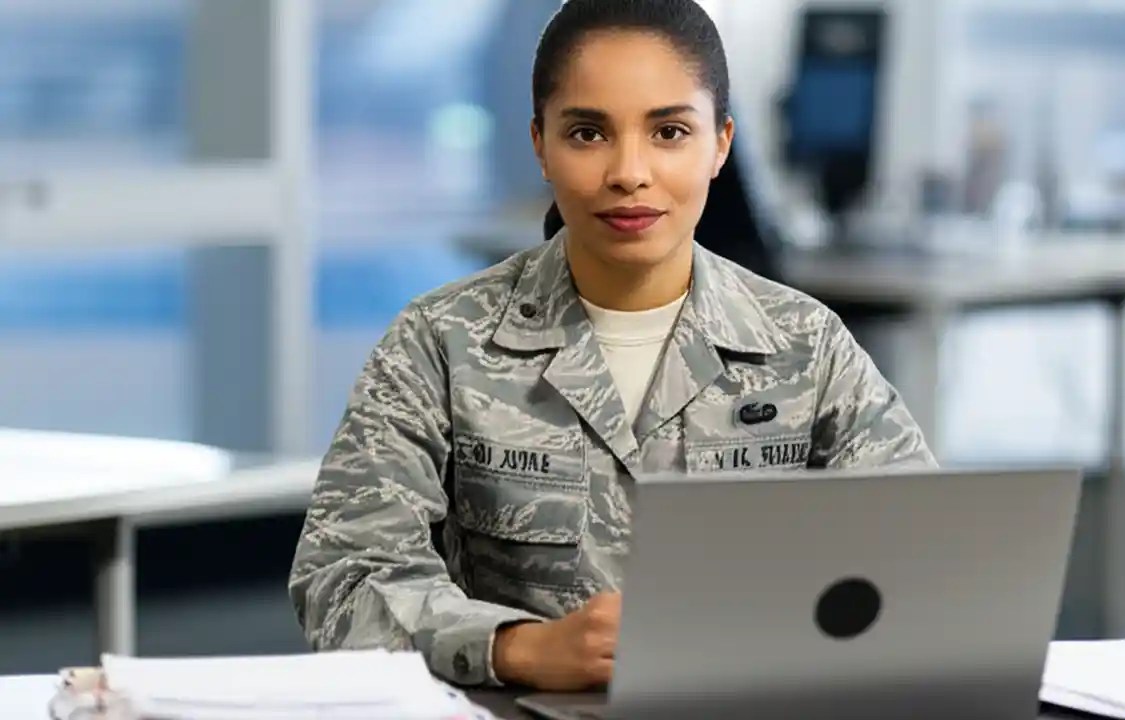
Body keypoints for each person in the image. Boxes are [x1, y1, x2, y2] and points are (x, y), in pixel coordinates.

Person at [289, 0, 935, 693]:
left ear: (720, 144)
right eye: (589, 133)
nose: (629, 171)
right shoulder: (441, 343)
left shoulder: (806, 347)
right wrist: (517, 648)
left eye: (669, 131)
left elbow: (925, 568)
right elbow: (343, 578)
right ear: (539, 143)